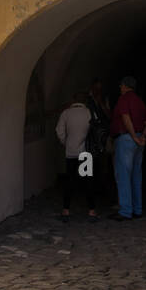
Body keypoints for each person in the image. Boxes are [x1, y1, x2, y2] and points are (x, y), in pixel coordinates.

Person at [109, 75, 146, 221]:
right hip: (139, 139)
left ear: (126, 86)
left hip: (127, 139)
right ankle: (137, 209)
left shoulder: (124, 99)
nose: (120, 87)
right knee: (136, 174)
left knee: (123, 175)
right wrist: (142, 137)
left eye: (121, 85)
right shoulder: (139, 101)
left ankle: (126, 210)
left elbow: (125, 118)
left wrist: (133, 136)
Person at [55, 91, 98, 222]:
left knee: (69, 181)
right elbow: (96, 129)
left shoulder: (66, 113)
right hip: (85, 152)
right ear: (85, 101)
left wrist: (66, 142)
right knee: (87, 181)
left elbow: (59, 131)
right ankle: (91, 210)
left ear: (73, 99)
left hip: (71, 152)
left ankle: (66, 210)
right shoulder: (89, 113)